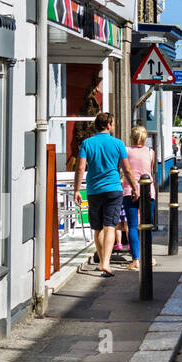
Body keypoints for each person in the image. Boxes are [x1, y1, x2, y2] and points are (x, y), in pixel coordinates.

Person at [72, 112, 138, 278]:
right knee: (110, 226)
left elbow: (80, 168)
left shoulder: (87, 143)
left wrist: (77, 190)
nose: (114, 125)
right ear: (108, 125)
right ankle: (105, 263)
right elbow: (127, 169)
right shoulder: (117, 144)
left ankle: (102, 261)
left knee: (97, 228)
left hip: (93, 190)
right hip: (113, 190)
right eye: (113, 123)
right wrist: (135, 187)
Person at [122, 126, 156, 271]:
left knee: (133, 226)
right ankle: (148, 257)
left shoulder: (126, 151)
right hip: (148, 191)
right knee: (147, 225)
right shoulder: (150, 152)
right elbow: (150, 170)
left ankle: (136, 259)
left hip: (130, 190)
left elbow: (123, 169)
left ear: (132, 137)